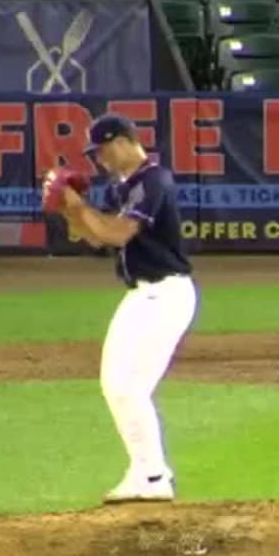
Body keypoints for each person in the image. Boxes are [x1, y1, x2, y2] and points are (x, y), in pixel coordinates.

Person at [46, 114, 196, 505]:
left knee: (129, 387)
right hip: (143, 295)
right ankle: (145, 470)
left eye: (101, 150)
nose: (99, 160)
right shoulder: (122, 188)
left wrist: (78, 206)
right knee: (116, 384)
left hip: (166, 294)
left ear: (123, 141)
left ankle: (152, 476)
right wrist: (69, 209)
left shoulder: (153, 181)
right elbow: (93, 238)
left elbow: (118, 232)